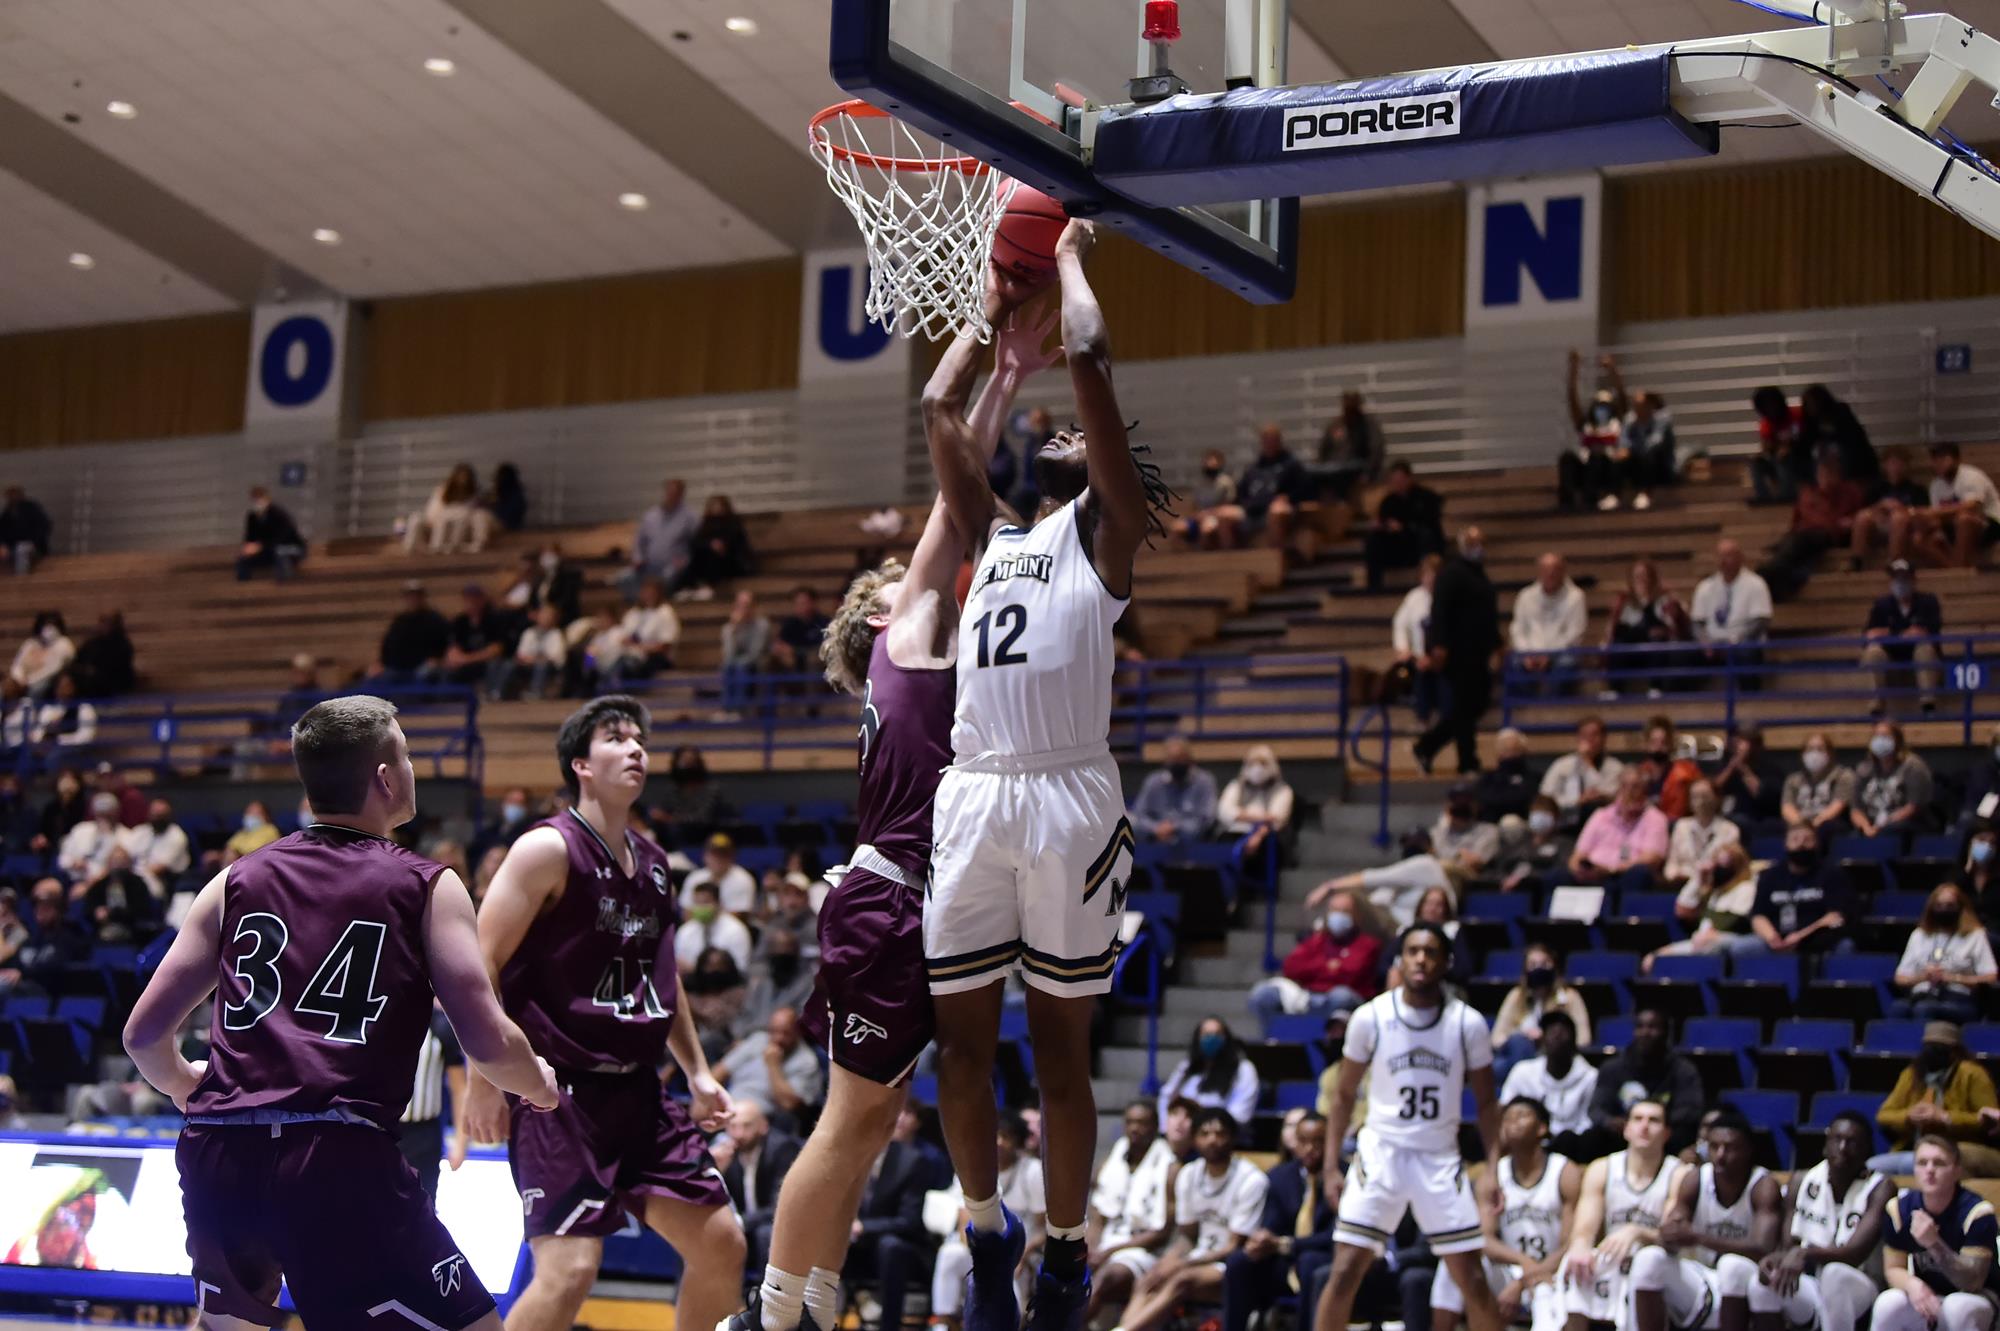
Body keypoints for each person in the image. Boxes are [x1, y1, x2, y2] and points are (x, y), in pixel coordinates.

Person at [732, 280, 1046, 1331]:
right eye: (895, 577)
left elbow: (963, 519)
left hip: (919, 901)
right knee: (849, 1116)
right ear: (875, 612)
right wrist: (995, 361)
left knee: (872, 1118)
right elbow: (953, 503)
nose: (914, 575)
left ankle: (816, 1292)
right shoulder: (903, 631)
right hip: (885, 903)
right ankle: (771, 1311)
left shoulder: (936, 654)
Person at [119, 696, 560, 1331]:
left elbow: (142, 1035)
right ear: (386, 778)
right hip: (335, 1156)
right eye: (405, 755)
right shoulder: (425, 885)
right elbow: (487, 1040)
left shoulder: (234, 878)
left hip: (220, 1151)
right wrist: (536, 1084)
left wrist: (189, 1086)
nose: (410, 769)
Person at [922, 220, 1173, 1329]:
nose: (1065, 434)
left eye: (1084, 434)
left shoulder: (1106, 534)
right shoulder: (996, 532)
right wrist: (987, 307)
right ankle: (987, 1230)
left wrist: (1067, 256)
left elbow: (1092, 357)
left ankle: (1066, 1253)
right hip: (977, 790)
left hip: (1068, 797)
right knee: (960, 1048)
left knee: (1058, 1055)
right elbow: (938, 411)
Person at [461, 696, 746, 1331]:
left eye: (641, 738)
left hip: (640, 1094)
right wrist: (485, 1076)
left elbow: (661, 981)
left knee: (722, 1243)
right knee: (570, 1272)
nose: (637, 748)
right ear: (580, 765)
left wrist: (697, 1072)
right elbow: (478, 963)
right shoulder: (546, 849)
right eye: (617, 738)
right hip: (557, 1094)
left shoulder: (656, 864)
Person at [1315, 923, 1503, 1331]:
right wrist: (1331, 1166)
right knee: (1345, 1270)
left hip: (1438, 1156)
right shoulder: (1371, 1016)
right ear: (1400, 959)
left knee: (1470, 1277)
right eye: (1413, 951)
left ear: (1446, 962)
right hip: (1381, 1152)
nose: (1421, 959)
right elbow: (1344, 1096)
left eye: (1431, 952)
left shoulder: (1467, 1024)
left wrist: (1492, 1167)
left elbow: (1487, 1103)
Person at [1432, 1098, 1579, 1331]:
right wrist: (1523, 1265)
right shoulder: (1493, 1175)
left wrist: (1526, 1279)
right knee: (1455, 1264)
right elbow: (1484, 1239)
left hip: (1555, 1271)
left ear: (1542, 1128)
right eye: (1507, 1119)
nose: (1512, 1123)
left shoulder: (1564, 1171)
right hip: (1511, 1268)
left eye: (1521, 1116)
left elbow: (1572, 1244)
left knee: (1543, 1293)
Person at [1630, 1109, 1782, 1331]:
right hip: (1702, 1278)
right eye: (1714, 1147)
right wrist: (1669, 1235)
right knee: (1647, 1258)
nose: (1720, 1155)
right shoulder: (1695, 1179)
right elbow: (1672, 1230)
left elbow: (1762, 1248)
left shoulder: (1763, 1185)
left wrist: (1698, 1238)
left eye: (1730, 1148)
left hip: (1746, 1285)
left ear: (1748, 1150)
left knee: (1732, 1265)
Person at [1118, 1109, 1269, 1331]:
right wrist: (1167, 1263)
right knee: (1149, 1279)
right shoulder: (1188, 1174)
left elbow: (1234, 1247)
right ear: (1194, 1139)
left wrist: (1182, 1264)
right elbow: (1187, 1237)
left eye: (1220, 1134)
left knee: (1181, 1281)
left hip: (1233, 1266)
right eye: (1205, 1133)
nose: (1212, 1140)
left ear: (1233, 1138)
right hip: (1198, 1258)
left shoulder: (1252, 1180)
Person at [1756, 1112, 1891, 1331]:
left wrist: (1804, 1253)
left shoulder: (1880, 1187)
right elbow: (1788, 1246)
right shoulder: (1801, 1181)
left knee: (1834, 1273)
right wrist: (1775, 1259)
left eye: (1852, 1142)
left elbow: (1854, 1253)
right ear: (1825, 1145)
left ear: (1867, 1150)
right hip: (1812, 1280)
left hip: (1861, 1286)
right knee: (1761, 1282)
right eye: (1837, 1139)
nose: (1843, 1148)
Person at [1561, 1101, 1681, 1330]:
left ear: (1666, 1133)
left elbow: (1670, 1238)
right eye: (1638, 1119)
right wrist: (1580, 1246)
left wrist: (1636, 1231)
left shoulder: (1678, 1173)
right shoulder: (1602, 1168)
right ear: (1626, 1129)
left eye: (1653, 1120)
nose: (1644, 1126)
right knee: (1574, 1261)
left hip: (1661, 1263)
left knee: (1645, 1263)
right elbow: (1585, 1228)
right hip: (1614, 1258)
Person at [932, 1112, 1049, 1328]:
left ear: (1019, 1141)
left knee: (1009, 1280)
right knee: (949, 1254)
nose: (999, 1142)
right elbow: (963, 1222)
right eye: (994, 1135)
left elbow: (1043, 1229)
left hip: (1022, 1253)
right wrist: (984, 1261)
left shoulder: (1032, 1171)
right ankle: (943, 1323)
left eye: (1007, 1136)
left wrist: (1020, 1256)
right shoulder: (970, 1167)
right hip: (979, 1248)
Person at [1222, 1112, 1335, 1331]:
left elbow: (1335, 1235)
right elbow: (1272, 1225)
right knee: (1239, 1262)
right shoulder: (1280, 1176)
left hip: (1324, 1260)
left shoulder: (1343, 1176)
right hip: (1285, 1261)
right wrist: (1263, 1239)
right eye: (1304, 1141)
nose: (1310, 1148)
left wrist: (1287, 1244)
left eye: (1318, 1141)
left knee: (1310, 1262)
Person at [1874, 1136, 2000, 1331]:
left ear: (1957, 1170)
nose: (1930, 1170)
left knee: (1956, 1307)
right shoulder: (1900, 1209)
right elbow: (1893, 1268)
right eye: (1922, 1163)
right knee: (1888, 1302)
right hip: (1931, 1296)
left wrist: (1934, 1244)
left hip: (1979, 1298)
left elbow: (1972, 1282)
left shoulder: (1976, 1213)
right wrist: (1913, 1285)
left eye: (1939, 1163)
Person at [1413, 526, 1500, 776]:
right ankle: (1467, 760)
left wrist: (1497, 643)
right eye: (1474, 543)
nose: (1479, 547)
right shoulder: (1452, 574)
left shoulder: (1480, 576)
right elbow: (1439, 612)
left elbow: (1486, 616)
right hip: (1458, 653)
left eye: (1481, 542)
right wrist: (1438, 645)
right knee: (1464, 707)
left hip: (1478, 652)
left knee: (1474, 706)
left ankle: (1427, 745)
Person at [1085, 1101, 1180, 1325]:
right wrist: (1091, 1248)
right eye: (1130, 1122)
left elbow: (1162, 1233)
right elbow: (1098, 1217)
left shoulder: (1171, 1168)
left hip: (1142, 1252)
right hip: (1108, 1245)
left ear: (1156, 1126)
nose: (1135, 1128)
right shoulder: (1112, 1160)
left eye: (1142, 1123)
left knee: (1106, 1278)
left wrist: (1109, 1251)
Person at [1871, 1023, 2000, 1177]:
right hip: (1913, 1147)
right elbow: (1883, 1115)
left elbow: (1989, 1122)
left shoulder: (1972, 1074)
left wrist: (1945, 1118)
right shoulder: (1912, 1074)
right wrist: (1908, 1116)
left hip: (1961, 1147)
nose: (1933, 1053)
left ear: (1955, 1051)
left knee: (1915, 1165)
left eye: (1940, 1048)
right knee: (1872, 1166)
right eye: (1929, 1047)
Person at [1249, 892, 1382, 1029]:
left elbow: (1350, 976)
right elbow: (1290, 967)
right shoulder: (1316, 941)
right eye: (1335, 910)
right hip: (1308, 997)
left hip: (1343, 1000)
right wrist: (1328, 966)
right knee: (1263, 994)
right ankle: (1275, 1039)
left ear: (1356, 916)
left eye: (1345, 911)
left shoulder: (1367, 944)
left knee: (1341, 996)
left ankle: (1325, 1042)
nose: (1339, 915)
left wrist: (1314, 970)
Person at [1585, 1009, 1705, 1156]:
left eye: (1652, 1027)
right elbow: (1596, 1110)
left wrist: (1653, 1122)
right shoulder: (1612, 1068)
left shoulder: (1683, 1070)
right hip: (1621, 1136)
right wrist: (1613, 1122)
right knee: (1593, 1138)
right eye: (1640, 1027)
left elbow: (1691, 1111)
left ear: (1666, 1033)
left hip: (1666, 1138)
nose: (1645, 1033)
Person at [1734, 822, 1855, 960]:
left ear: (1817, 844)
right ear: (1786, 843)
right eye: (1795, 839)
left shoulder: (1831, 874)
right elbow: (1758, 915)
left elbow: (1835, 916)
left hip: (1816, 939)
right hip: (1777, 940)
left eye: (1807, 839)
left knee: (1845, 945)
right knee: (1741, 947)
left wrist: (1801, 936)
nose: (1801, 844)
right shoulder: (1770, 875)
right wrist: (1772, 938)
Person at [1761, 454, 1868, 600]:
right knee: (1796, 542)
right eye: (1822, 474)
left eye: (1829, 474)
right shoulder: (1809, 492)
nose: (1825, 478)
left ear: (1838, 475)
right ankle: (1777, 571)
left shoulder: (1849, 492)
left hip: (1827, 534)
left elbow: (1858, 515)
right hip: (1805, 533)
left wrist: (1847, 522)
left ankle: (1773, 569)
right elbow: (1798, 517)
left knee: (1804, 540)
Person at [1891, 886, 1998, 1024]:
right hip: (1922, 994)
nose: (1944, 910)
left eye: (1949, 905)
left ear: (1960, 908)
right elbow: (1900, 978)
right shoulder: (1919, 935)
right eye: (1939, 905)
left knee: (1924, 1009)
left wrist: (1952, 978)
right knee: (1898, 1008)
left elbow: (1990, 977)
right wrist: (1923, 976)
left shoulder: (1975, 936)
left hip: (1958, 999)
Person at [719, 1101, 802, 1272]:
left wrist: (740, 1221)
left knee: (766, 1233)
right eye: (733, 1126)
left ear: (763, 1126)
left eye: (746, 1125)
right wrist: (717, 1170)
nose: (739, 1133)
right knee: (698, 1231)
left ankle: (767, 1297)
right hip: (743, 1226)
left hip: (774, 1225)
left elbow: (780, 1206)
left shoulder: (783, 1150)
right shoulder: (724, 1152)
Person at [1647, 844, 1760, 968]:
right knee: (1652, 959)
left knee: (1705, 945)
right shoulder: (1715, 890)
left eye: (1723, 863)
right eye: (1715, 862)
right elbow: (1682, 909)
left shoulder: (1746, 888)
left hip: (1729, 940)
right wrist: (1698, 878)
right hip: (1700, 940)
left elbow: (1735, 921)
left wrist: (1709, 933)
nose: (1718, 868)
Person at [1498, 1013, 1598, 1145]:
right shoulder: (1522, 1071)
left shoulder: (1591, 1076)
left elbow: (1589, 1122)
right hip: (1530, 1143)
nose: (1556, 1036)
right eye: (1551, 1032)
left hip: (1573, 1146)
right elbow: (1505, 1109)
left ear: (1574, 1041)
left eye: (1563, 1032)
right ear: (1542, 1040)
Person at [1490, 946, 1593, 1073]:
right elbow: (1496, 1038)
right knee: (1502, 1061)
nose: (1538, 969)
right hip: (1518, 1056)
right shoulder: (1516, 996)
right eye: (1533, 964)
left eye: (1544, 964)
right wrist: (1524, 1036)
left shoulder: (1569, 997)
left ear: (1554, 967)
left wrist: (1546, 1037)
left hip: (1553, 1057)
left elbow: (1584, 1039)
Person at [1568, 768, 1670, 894]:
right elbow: (1577, 856)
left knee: (1639, 874)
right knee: (1557, 876)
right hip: (1592, 876)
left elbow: (1652, 859)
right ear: (1618, 790)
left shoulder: (1655, 818)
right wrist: (1580, 870)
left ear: (1645, 791)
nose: (1629, 792)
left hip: (1624, 877)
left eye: (1635, 787)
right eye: (1624, 786)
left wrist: (1611, 870)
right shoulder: (1600, 815)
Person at [1602, 558, 1693, 699]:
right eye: (1637, 576)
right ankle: (1615, 688)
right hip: (1631, 648)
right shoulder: (1623, 601)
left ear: (1652, 578)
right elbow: (1614, 629)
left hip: (1656, 649)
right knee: (1618, 645)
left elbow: (1674, 627)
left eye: (1644, 576)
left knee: (1657, 641)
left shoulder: (1665, 599)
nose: (1641, 580)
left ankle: (1655, 687)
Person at [1862, 559, 1944, 715]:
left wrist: (1888, 633)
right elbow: (1870, 634)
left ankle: (1928, 704)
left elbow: (1930, 632)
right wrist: (1902, 634)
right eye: (1896, 578)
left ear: (1913, 580)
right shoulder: (1882, 605)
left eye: (1904, 578)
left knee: (1925, 649)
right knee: (1872, 653)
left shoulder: (1928, 602)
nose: (1900, 583)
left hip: (1921, 657)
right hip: (1892, 657)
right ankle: (1876, 706)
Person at [1903, 441, 2000, 569]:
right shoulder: (1936, 485)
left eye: (1944, 459)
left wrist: (1932, 512)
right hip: (1952, 525)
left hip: (1990, 523)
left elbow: (1972, 506)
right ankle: (1955, 570)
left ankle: (1959, 571)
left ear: (1957, 460)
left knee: (1964, 519)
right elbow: (1937, 516)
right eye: (1936, 460)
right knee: (1918, 539)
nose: (1940, 464)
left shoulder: (1971, 476)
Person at [1690, 540, 1773, 685]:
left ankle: (1750, 700)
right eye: (1720, 556)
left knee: (1747, 653)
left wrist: (1736, 641)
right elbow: (1697, 622)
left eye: (1728, 556)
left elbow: (1761, 621)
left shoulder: (1756, 584)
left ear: (1740, 558)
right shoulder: (1705, 586)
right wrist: (1705, 642)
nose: (1723, 561)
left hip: (1741, 642)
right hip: (1713, 643)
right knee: (1683, 655)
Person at [1561, 351, 1636, 512]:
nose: (1602, 408)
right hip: (1587, 470)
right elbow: (1572, 398)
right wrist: (1574, 370)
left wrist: (1612, 369)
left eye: (1606, 404)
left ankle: (1597, 497)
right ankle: (1567, 500)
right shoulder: (1586, 425)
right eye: (1599, 404)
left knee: (1599, 457)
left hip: (1610, 469)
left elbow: (1622, 394)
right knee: (1566, 457)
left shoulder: (1617, 422)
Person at [1157, 1018, 1262, 1126]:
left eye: (1217, 1034)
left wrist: (1204, 1120)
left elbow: (1241, 1114)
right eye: (1206, 1035)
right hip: (1184, 1134)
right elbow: (1166, 1097)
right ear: (1197, 1039)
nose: (1211, 1039)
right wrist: (1167, 1128)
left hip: (1220, 1134)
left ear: (1226, 1039)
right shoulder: (1187, 1067)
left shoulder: (1243, 1069)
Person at [1511, 553, 1588, 693]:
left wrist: (1549, 655)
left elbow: (1574, 634)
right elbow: (1518, 630)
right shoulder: (1525, 596)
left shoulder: (1576, 597)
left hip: (1560, 654)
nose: (1550, 574)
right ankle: (1523, 710)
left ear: (1563, 572)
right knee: (1514, 664)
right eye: (1546, 570)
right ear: (1539, 572)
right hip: (1530, 654)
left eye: (1555, 570)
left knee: (1567, 664)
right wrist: (1526, 654)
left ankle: (1554, 709)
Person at [1364, 462, 1444, 591]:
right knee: (1373, 539)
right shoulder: (1389, 501)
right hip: (1396, 545)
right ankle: (1374, 586)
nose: (1397, 484)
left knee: (1426, 535)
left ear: (1409, 478)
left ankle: (1429, 577)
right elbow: (1384, 520)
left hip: (1417, 542)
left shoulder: (1425, 497)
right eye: (1394, 481)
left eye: (1400, 480)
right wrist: (1384, 525)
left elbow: (1429, 522)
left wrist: (1404, 527)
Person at [1848, 444, 1930, 569]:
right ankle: (1856, 561)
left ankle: (1894, 561)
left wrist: (1901, 509)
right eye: (1892, 463)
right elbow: (1864, 510)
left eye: (1900, 463)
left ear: (1907, 466)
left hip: (1905, 528)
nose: (1896, 467)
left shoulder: (1917, 490)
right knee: (1862, 517)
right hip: (1879, 527)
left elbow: (1923, 513)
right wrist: (1880, 506)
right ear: (1885, 466)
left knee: (1898, 517)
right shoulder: (1876, 489)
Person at [1851, 719, 1934, 839]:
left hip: (1905, 823)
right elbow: (1856, 809)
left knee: (1889, 833)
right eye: (1877, 736)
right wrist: (1865, 827)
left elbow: (1913, 806)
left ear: (1897, 740)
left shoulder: (1913, 766)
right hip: (1872, 823)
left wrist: (1883, 825)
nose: (1880, 741)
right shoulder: (1864, 769)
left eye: (1885, 736)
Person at [1130, 734, 1218, 845]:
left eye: (1180, 759)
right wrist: (1156, 828)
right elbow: (1139, 813)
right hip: (1156, 834)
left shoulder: (1204, 781)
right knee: (1131, 822)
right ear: (1166, 760)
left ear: (1189, 758)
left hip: (1189, 837)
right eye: (1172, 759)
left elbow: (1207, 818)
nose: (1176, 763)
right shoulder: (1154, 781)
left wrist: (1175, 827)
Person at [1389, 554, 1447, 722]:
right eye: (1427, 574)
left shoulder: (1448, 597)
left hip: (1442, 658)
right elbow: (1400, 624)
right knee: (1417, 675)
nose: (1430, 579)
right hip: (1418, 658)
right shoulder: (1414, 598)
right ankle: (1422, 718)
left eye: (1434, 575)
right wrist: (1403, 648)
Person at [1540, 719, 1625, 831]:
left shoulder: (1615, 767)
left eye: (1594, 735)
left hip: (1605, 823)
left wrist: (1587, 761)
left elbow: (1609, 794)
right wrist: (1577, 801)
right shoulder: (1562, 765)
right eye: (1584, 735)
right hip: (1564, 819)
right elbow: (1546, 796)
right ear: (1577, 738)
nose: (1589, 739)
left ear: (1604, 738)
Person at [1238, 423, 1311, 551]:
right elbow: (1241, 493)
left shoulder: (1291, 464)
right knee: (1224, 516)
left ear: (1279, 441)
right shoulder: (1254, 468)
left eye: (1272, 440)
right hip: (1253, 510)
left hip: (1279, 511)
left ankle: (1275, 558)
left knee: (1276, 511)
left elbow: (1306, 488)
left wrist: (1288, 497)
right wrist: (1246, 504)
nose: (1269, 443)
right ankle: (1232, 563)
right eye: (1266, 440)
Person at [1216, 745, 1294, 865]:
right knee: (1223, 844)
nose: (1257, 769)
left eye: (1263, 764)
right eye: (1252, 763)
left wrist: (1256, 833)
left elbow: (1276, 819)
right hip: (1235, 834)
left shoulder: (1283, 790)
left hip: (1266, 837)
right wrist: (1262, 817)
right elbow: (1225, 812)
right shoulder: (1236, 786)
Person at [623, 479, 698, 600]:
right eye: (669, 492)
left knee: (667, 577)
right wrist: (638, 558)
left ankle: (658, 606)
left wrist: (686, 560)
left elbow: (697, 544)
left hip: (672, 566)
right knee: (624, 578)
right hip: (648, 565)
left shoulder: (689, 517)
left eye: (675, 493)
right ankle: (640, 607)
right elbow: (639, 541)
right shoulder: (651, 515)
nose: (671, 496)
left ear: (681, 494)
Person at [372, 581, 451, 687]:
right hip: (398, 668)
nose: (413, 599)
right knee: (379, 679)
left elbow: (446, 643)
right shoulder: (399, 621)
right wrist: (381, 663)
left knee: (425, 675)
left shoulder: (436, 620)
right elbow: (388, 646)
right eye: (410, 596)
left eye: (416, 595)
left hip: (425, 667)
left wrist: (438, 659)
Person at [1665, 781, 1742, 888]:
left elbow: (1728, 868)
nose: (1700, 802)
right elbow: (1672, 863)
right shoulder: (1681, 826)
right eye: (1695, 797)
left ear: (1716, 799)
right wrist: (1673, 877)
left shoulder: (1730, 830)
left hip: (1714, 886)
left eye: (1705, 796)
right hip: (1680, 884)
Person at [1782, 733, 1855, 843]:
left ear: (1830, 753)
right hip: (1799, 822)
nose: (1814, 754)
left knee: (1827, 828)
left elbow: (1837, 806)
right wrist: (1801, 825)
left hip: (1826, 823)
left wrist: (1813, 826)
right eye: (1810, 749)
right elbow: (1787, 807)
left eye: (1820, 749)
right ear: (1803, 754)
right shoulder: (1793, 779)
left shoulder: (1843, 776)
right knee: (1770, 826)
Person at [1715, 723, 1785, 836]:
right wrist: (1732, 766)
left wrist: (1744, 769)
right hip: (1728, 813)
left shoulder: (1769, 767)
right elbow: (1714, 789)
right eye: (1737, 740)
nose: (1738, 745)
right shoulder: (1727, 764)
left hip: (1756, 816)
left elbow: (1760, 793)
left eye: (1743, 741)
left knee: (1739, 821)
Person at [404, 462, 489, 554]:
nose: (462, 480)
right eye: (460, 476)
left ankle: (440, 549)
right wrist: (436, 521)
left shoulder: (474, 496)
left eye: (465, 477)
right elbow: (431, 513)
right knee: (415, 518)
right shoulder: (442, 492)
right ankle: (414, 547)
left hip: (459, 532)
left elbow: (472, 515)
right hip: (436, 527)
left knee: (468, 516)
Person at [608, 578, 680, 683]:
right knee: (610, 659)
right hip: (630, 652)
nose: (647, 595)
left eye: (651, 592)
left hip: (654, 656)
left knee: (629, 665)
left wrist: (641, 648)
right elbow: (623, 636)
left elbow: (665, 645)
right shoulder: (634, 613)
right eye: (645, 592)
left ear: (658, 593)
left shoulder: (665, 613)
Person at [1749, 386, 1809, 504]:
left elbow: (1808, 439)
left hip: (1801, 458)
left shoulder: (1798, 415)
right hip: (1778, 460)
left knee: (1784, 458)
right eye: (1766, 406)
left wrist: (1790, 447)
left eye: (1773, 404)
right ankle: (1763, 496)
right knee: (1756, 463)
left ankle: (1787, 494)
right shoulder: (1766, 425)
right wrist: (1762, 455)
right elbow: (1767, 447)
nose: (1771, 409)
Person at [1637, 717, 1704, 821]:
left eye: (1663, 742)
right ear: (1646, 744)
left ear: (1671, 744)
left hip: (1677, 828)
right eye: (1654, 742)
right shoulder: (1638, 775)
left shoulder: (1687, 772)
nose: (1658, 747)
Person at [500, 602, 568, 700]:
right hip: (528, 665)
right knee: (509, 664)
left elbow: (555, 657)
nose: (546, 618)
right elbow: (521, 653)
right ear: (537, 616)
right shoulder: (529, 632)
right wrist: (529, 659)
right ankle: (499, 693)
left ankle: (536, 693)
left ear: (555, 619)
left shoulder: (556, 634)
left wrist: (535, 659)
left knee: (541, 665)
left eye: (549, 616)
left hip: (549, 667)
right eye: (543, 615)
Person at [237, 485, 305, 582]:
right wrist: (248, 547)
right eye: (255, 500)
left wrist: (260, 546)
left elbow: (281, 538)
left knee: (280, 552)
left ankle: (285, 581)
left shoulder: (279, 514)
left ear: (267, 499)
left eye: (260, 499)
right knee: (243, 557)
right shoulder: (252, 517)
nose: (257, 503)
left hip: (292, 547)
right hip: (268, 548)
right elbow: (250, 536)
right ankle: (243, 582)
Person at [689, 495, 756, 592]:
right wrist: (710, 544)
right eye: (714, 506)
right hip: (709, 555)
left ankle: (709, 586)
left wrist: (722, 546)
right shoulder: (706, 524)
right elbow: (696, 542)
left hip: (731, 560)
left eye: (719, 506)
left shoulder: (733, 523)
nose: (717, 509)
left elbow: (738, 545)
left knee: (713, 557)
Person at [720, 590, 770, 719]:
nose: (743, 609)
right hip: (735, 664)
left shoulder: (762, 625)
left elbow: (755, 652)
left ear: (754, 607)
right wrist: (735, 629)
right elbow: (729, 654)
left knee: (740, 667)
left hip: (756, 664)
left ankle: (738, 710)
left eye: (747, 605)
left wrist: (740, 661)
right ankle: (726, 710)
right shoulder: (728, 628)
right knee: (727, 666)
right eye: (740, 605)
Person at [684, 833, 758, 916]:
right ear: (705, 856)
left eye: (723, 854)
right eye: (714, 854)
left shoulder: (743, 879)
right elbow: (686, 913)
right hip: (698, 926)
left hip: (729, 928)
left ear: (732, 856)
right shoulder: (695, 877)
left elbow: (741, 916)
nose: (718, 859)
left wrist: (709, 915)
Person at [1180, 449, 1241, 550]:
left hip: (1217, 517)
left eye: (1213, 466)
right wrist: (1196, 515)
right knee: (1178, 528)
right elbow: (1194, 506)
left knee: (1206, 529)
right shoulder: (1198, 483)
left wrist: (1208, 513)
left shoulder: (1226, 483)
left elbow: (1228, 505)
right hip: (1199, 517)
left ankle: (1204, 559)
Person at [768, 587, 829, 678]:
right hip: (793, 661)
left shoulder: (823, 622)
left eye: (804, 603)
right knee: (771, 659)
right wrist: (780, 649)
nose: (801, 606)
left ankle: (812, 692)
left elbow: (823, 647)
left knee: (812, 659)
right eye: (797, 603)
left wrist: (795, 651)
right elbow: (781, 643)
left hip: (816, 659)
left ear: (813, 603)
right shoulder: (789, 623)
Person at [69, 612, 133, 698]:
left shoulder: (122, 645)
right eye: (102, 622)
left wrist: (95, 672)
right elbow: (77, 661)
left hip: (109, 682)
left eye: (107, 623)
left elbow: (118, 668)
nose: (103, 626)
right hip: (87, 678)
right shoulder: (92, 643)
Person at [10, 611, 72, 700]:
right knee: (7, 686)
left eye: (53, 625)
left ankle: (31, 711)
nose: (49, 629)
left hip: (47, 681)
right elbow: (18, 664)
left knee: (38, 688)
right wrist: (18, 679)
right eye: (46, 625)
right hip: (23, 681)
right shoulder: (30, 643)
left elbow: (53, 669)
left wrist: (30, 681)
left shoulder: (64, 644)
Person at [0, 486, 52, 574]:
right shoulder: (7, 512)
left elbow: (44, 526)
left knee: (22, 550)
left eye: (14, 493)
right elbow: (2, 531)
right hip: (13, 546)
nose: (12, 496)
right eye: (10, 494)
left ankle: (21, 578)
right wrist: (2, 545)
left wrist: (35, 542)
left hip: (32, 544)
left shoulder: (31, 508)